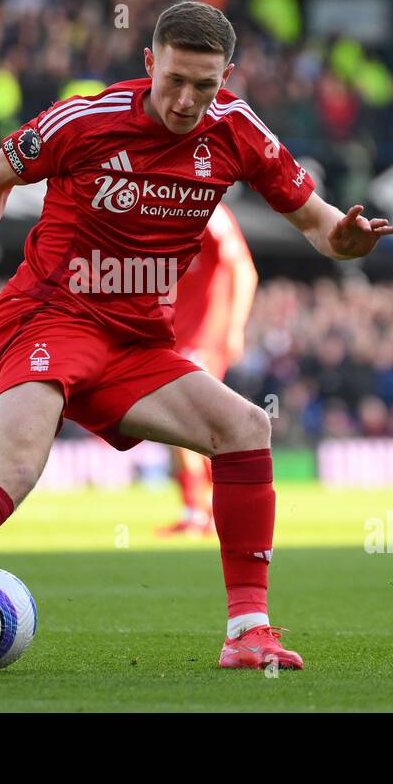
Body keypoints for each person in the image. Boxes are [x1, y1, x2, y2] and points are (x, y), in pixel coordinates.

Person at [0, 0, 393, 673]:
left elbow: (323, 227)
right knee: (16, 469)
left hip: (137, 343)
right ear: (149, 64)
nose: (185, 100)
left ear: (226, 77)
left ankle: (248, 631)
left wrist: (346, 243)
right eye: (174, 80)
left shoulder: (237, 131)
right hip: (48, 318)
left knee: (246, 429)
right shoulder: (86, 119)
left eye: (204, 86)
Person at [159, 201, 258, 537]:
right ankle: (208, 510)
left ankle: (199, 512)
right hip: (171, 337)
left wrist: (235, 326)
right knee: (176, 427)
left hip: (204, 336)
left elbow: (244, 269)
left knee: (183, 420)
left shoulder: (211, 212)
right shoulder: (161, 213)